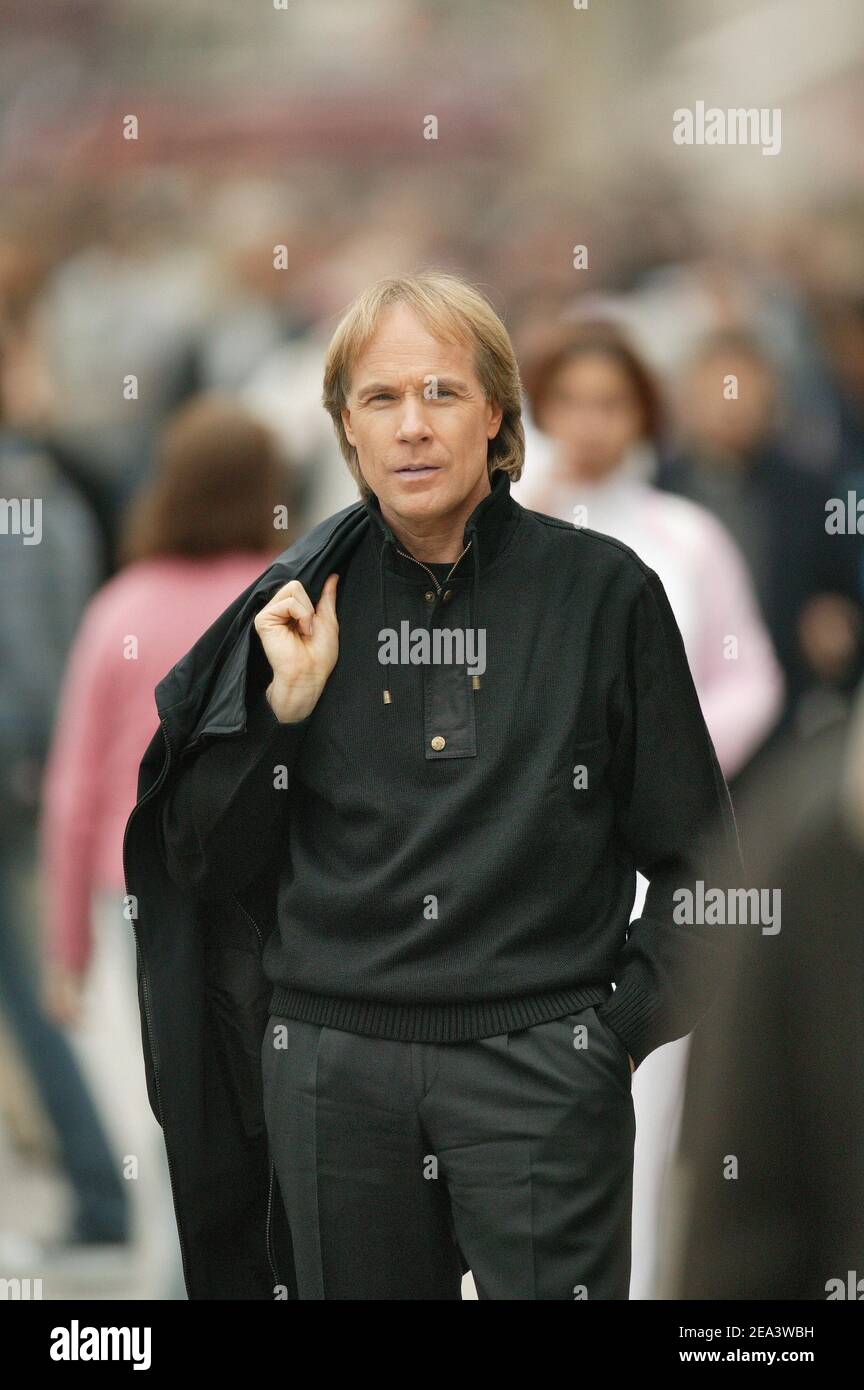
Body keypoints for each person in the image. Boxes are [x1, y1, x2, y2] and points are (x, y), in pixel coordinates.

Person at [152, 268, 741, 1300]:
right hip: (335, 1077)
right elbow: (201, 863)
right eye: (381, 398)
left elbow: (706, 868)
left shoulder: (605, 593)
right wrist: (278, 722)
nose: (412, 426)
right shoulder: (295, 605)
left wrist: (604, 1040)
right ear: (345, 427)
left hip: (540, 1072)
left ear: (498, 413)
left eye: (440, 393)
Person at [513, 319, 784, 1299]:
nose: (589, 423)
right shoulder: (508, 527)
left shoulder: (685, 534)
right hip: (531, 853)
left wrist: (673, 759)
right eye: (569, 401)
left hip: (659, 852)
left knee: (651, 1068)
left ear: (642, 415)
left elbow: (750, 672)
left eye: (610, 402)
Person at [37, 395, 291, 1295]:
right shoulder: (288, 600)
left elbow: (72, 792)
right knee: (255, 1114)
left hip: (132, 900)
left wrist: (63, 945)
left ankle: (159, 1287)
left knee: (157, 1107)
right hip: (265, 900)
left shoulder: (121, 608)